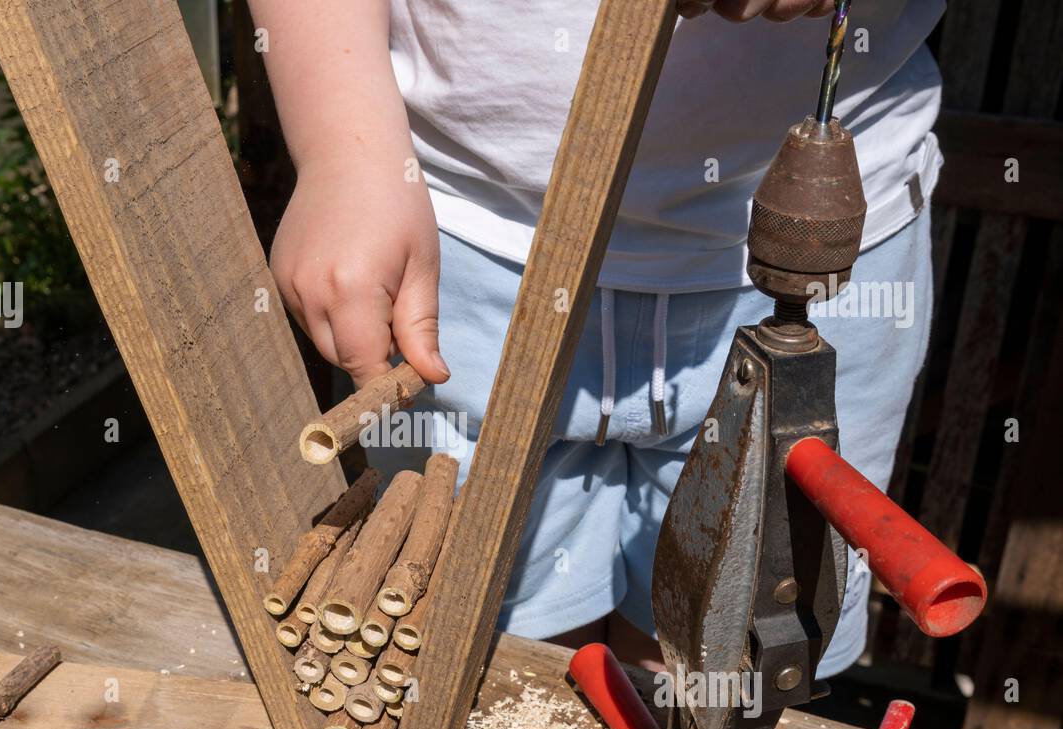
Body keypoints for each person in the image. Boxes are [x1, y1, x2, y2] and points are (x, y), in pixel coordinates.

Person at [249, 0, 944, 675]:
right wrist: (343, 149)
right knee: (482, 669)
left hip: (831, 260)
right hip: (456, 240)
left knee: (720, 676)